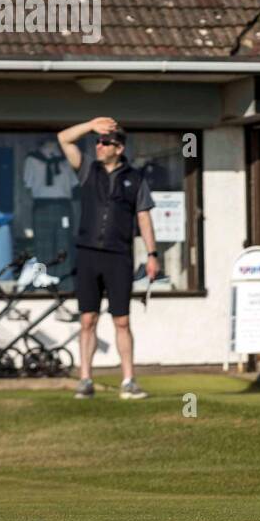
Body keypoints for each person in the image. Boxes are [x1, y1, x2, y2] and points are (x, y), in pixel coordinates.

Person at [57, 117, 159, 400]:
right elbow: (63, 138)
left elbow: (144, 217)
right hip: (88, 253)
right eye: (98, 142)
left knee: (122, 321)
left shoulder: (136, 179)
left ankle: (129, 381)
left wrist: (152, 254)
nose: (99, 146)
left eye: (105, 143)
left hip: (119, 256)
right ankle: (85, 380)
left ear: (120, 148)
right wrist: (90, 125)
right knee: (87, 319)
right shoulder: (88, 170)